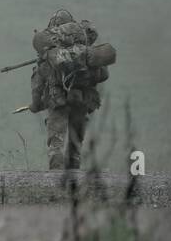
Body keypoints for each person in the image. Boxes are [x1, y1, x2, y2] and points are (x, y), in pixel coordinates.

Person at [28, 9, 110, 170]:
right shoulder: (85, 53)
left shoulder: (50, 55)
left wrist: (35, 105)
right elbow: (103, 75)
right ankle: (74, 177)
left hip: (57, 101)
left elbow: (37, 82)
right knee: (75, 143)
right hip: (81, 101)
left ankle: (56, 177)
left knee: (56, 142)